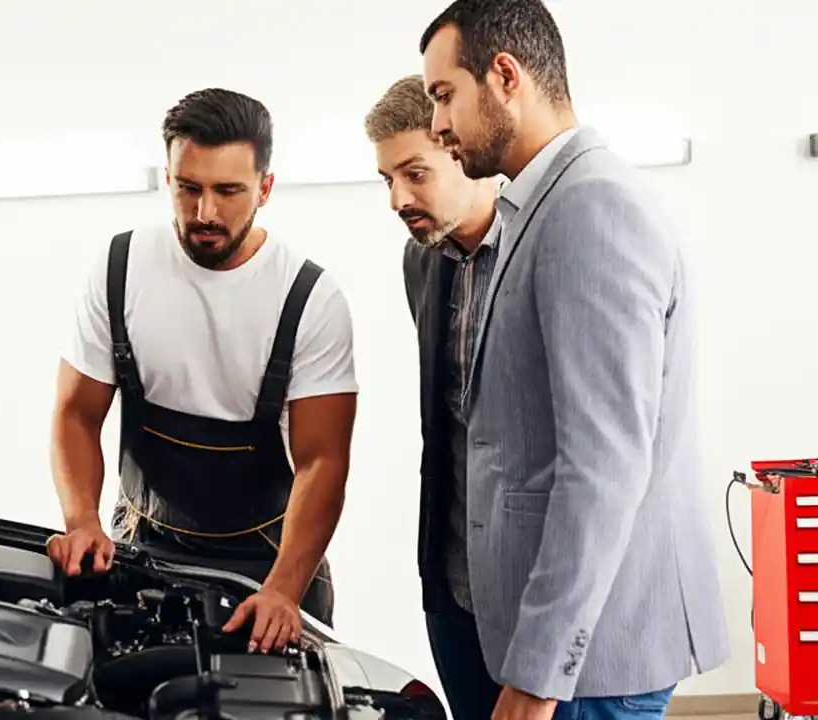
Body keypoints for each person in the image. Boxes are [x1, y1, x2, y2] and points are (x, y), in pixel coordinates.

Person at [417, 1, 731, 719]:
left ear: (504, 76)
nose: (437, 125)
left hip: (590, 662)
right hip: (553, 641)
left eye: (444, 96)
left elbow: (605, 465)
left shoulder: (591, 209)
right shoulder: (538, 208)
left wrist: (536, 676)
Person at [46, 87, 359, 653]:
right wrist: (81, 520)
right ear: (167, 177)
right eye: (188, 188)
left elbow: (323, 460)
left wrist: (285, 590)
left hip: (271, 562)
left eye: (227, 191)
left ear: (265, 187)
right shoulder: (121, 270)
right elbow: (75, 413)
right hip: (143, 541)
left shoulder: (309, 299)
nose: (204, 213)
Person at [363, 75, 504, 720]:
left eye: (414, 173)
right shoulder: (420, 261)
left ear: (460, 147)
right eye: (388, 179)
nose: (398, 197)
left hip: (536, 589)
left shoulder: (543, 248)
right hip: (452, 587)